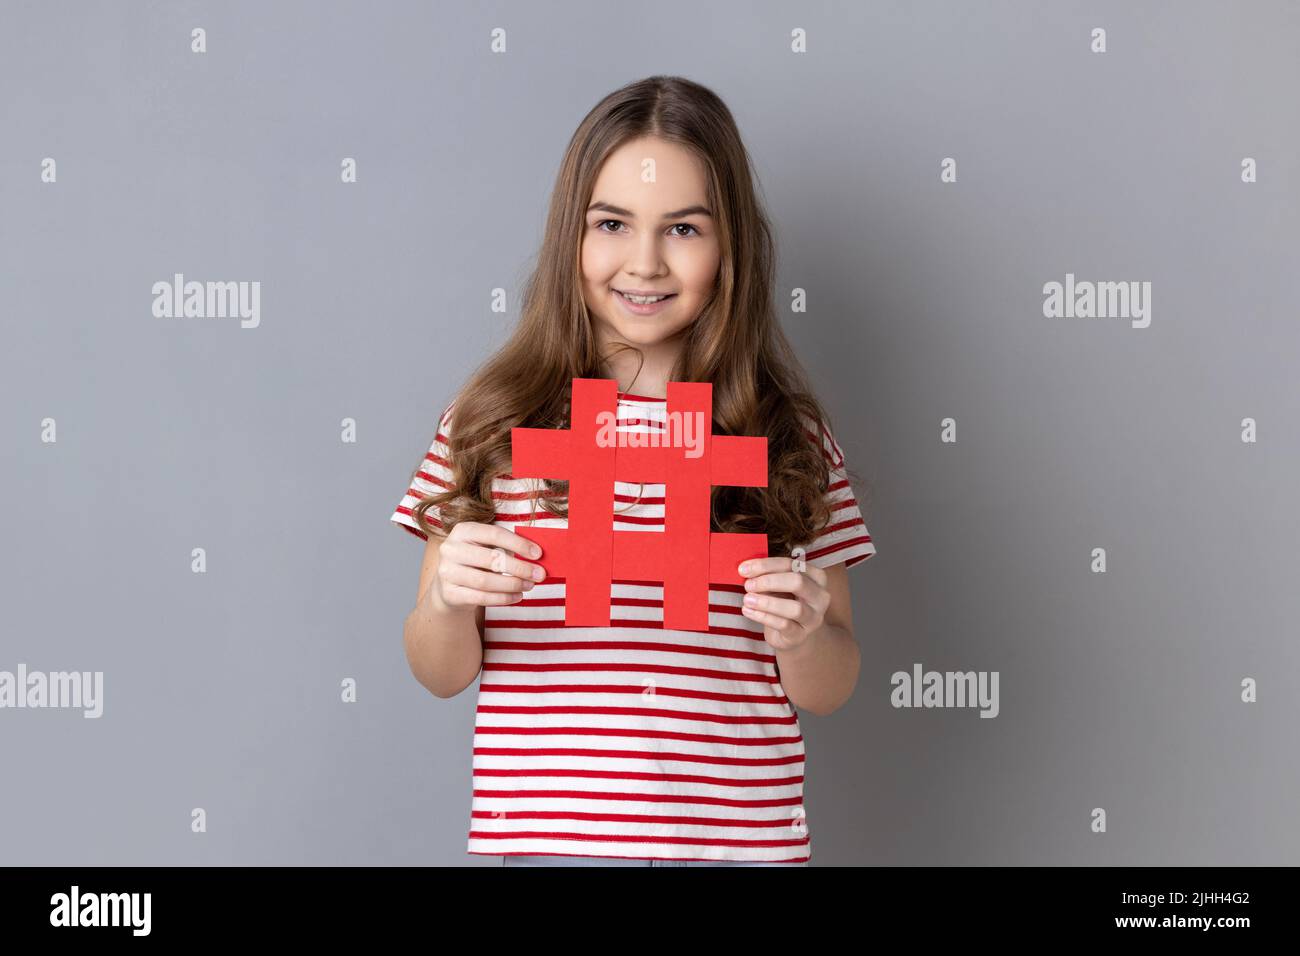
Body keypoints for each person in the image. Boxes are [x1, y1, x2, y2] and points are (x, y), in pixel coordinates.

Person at [390, 75, 877, 867]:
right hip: (554, 841)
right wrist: (446, 602)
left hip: (736, 843)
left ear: (730, 248)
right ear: (570, 237)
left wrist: (805, 631)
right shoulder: (493, 424)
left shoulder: (786, 436)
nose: (644, 262)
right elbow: (439, 671)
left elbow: (830, 684)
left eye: (683, 229)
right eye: (612, 223)